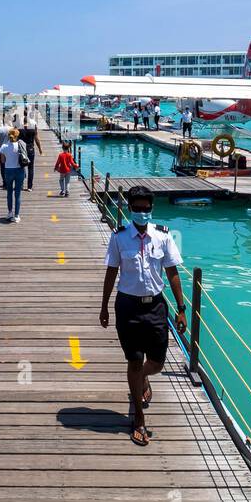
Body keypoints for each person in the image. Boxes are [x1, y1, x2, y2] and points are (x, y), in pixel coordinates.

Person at [98, 186, 187, 447]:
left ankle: (143, 378)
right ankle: (138, 418)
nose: (141, 212)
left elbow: (172, 273)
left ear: (151, 209)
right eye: (136, 208)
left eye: (145, 208)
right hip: (127, 307)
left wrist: (181, 309)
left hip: (156, 307)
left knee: (157, 363)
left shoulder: (163, 236)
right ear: (129, 209)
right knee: (134, 362)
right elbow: (111, 272)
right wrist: (103, 306)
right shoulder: (119, 237)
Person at [0, 126, 29, 222]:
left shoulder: (4, 146)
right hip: (19, 170)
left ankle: (9, 212)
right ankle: (16, 215)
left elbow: (2, 161)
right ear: (17, 136)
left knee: (9, 192)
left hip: (8, 170)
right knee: (18, 194)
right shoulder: (21, 145)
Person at [18, 118, 45, 191]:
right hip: (30, 149)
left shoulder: (19, 129)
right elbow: (36, 139)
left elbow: (17, 139)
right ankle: (29, 187)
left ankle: (21, 185)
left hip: (22, 150)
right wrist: (40, 149)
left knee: (21, 167)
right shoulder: (33, 129)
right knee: (31, 168)